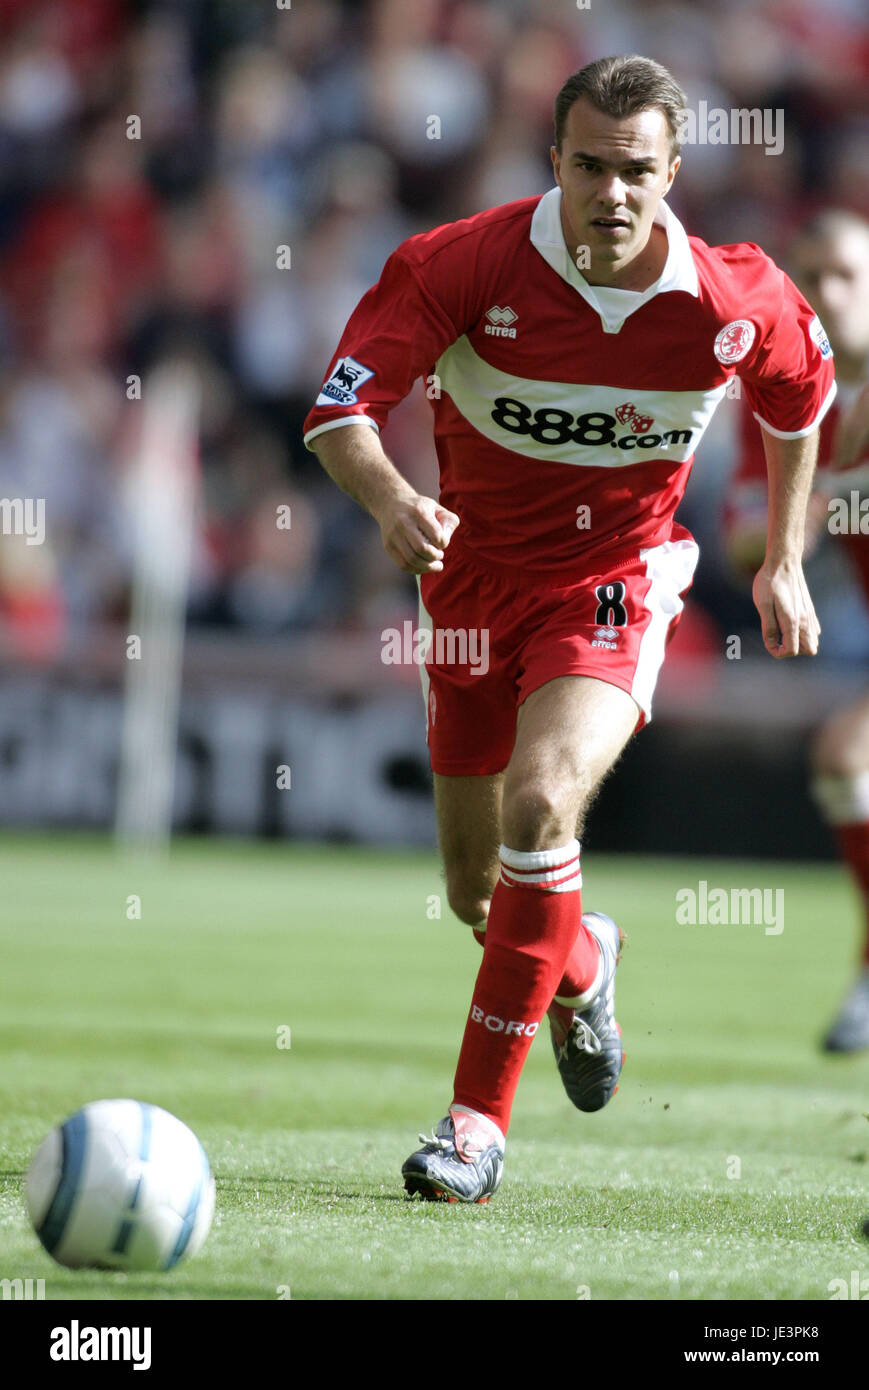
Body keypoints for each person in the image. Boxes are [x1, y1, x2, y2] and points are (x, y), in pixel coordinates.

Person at [303, 54, 833, 1202]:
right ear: (553, 160)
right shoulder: (459, 262)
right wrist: (394, 500)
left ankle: (471, 1128)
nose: (610, 192)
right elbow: (339, 409)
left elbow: (802, 399)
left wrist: (782, 557)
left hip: (615, 578)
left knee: (541, 805)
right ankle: (582, 960)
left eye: (634, 170)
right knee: (474, 893)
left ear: (671, 172)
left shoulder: (727, 295)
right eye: (587, 165)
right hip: (467, 588)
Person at [727, 210, 869, 1052]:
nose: (826, 295)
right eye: (808, 280)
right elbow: (746, 533)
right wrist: (805, 506)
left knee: (846, 756)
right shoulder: (789, 398)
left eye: (846, 277)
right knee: (843, 761)